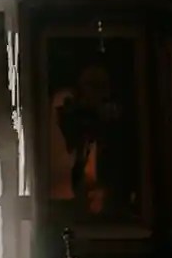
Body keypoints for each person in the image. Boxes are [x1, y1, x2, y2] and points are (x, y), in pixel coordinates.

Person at [53, 64, 130, 216]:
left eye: (101, 87)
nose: (97, 94)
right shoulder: (71, 118)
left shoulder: (116, 133)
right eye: (91, 87)